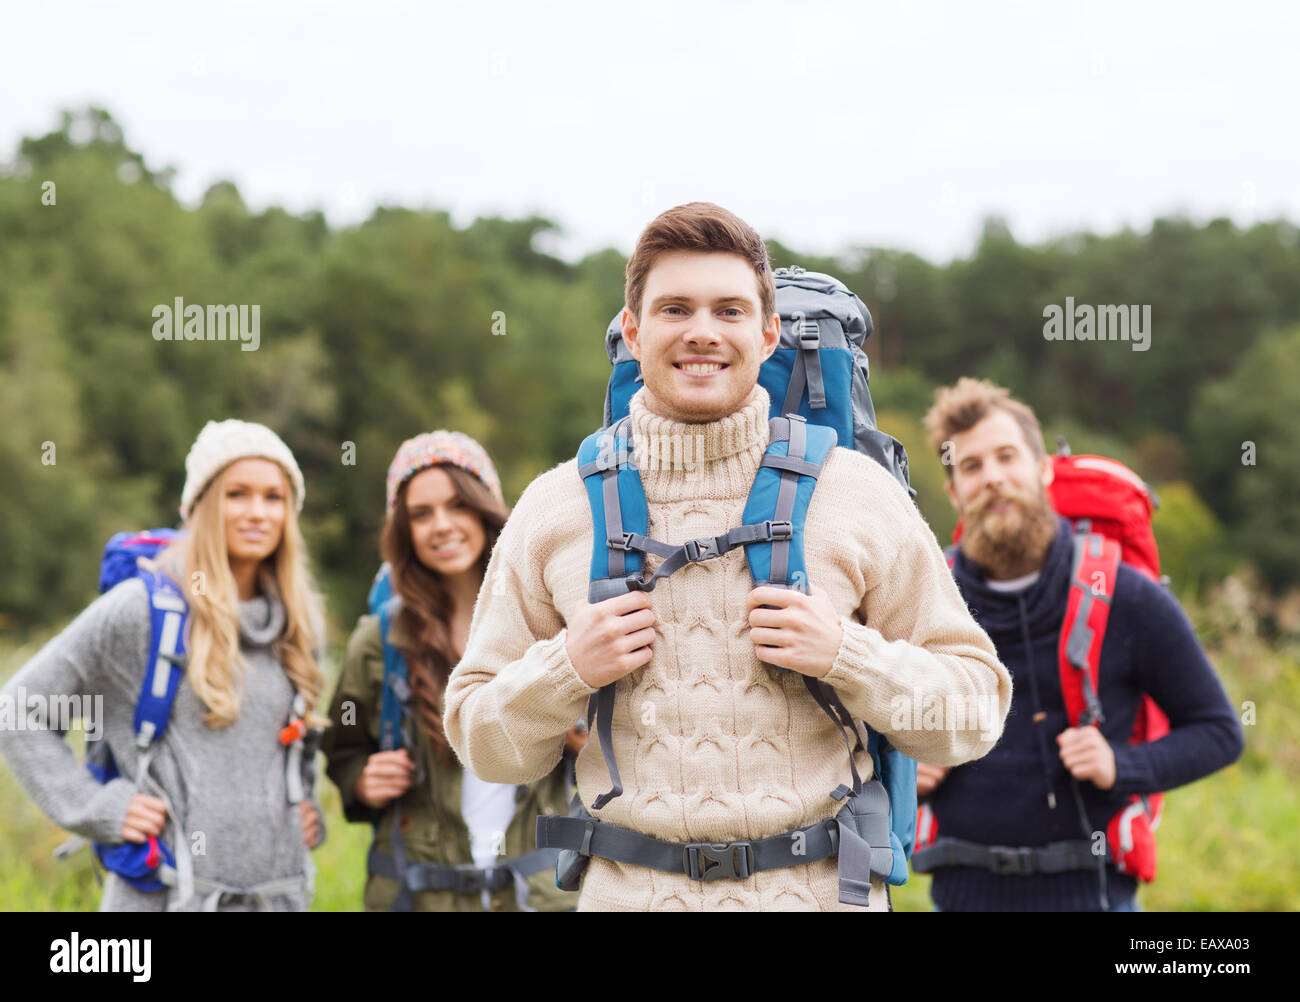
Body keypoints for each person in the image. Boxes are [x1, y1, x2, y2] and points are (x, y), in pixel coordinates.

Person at [443, 202, 1012, 912]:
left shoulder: (855, 491)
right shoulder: (555, 506)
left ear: (769, 333)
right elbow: (480, 739)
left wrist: (845, 654)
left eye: (730, 310)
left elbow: (975, 709)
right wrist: (565, 670)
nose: (703, 332)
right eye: (675, 308)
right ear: (633, 328)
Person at [913, 377, 1244, 911]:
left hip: (1093, 897)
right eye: (971, 467)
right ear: (954, 493)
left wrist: (1121, 765)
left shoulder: (1122, 595)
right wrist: (905, 768)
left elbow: (1220, 732)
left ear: (1044, 471)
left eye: (1007, 457)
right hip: (960, 894)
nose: (993, 478)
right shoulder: (926, 601)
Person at [0, 419, 327, 911]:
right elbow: (19, 711)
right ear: (198, 506)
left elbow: (292, 745)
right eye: (236, 494)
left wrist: (305, 807)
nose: (257, 512)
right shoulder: (139, 612)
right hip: (164, 900)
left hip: (276, 899)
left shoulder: (299, 626)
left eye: (274, 497)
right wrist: (100, 808)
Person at [322, 431, 574, 912]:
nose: (441, 525)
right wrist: (360, 778)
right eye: (421, 514)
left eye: (458, 504)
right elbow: (342, 747)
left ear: (486, 509)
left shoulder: (548, 618)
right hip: (420, 895)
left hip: (536, 894)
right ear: (403, 529)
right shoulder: (379, 640)